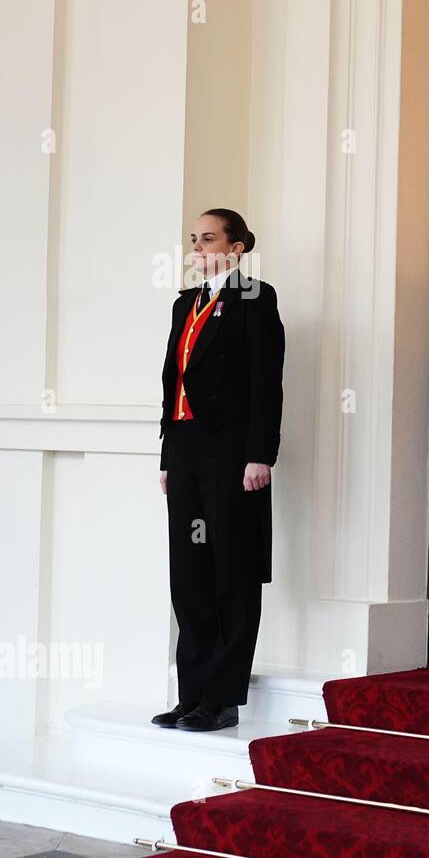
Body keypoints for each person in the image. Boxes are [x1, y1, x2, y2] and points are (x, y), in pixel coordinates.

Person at [153, 209, 285, 732]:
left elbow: (265, 381)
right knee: (189, 576)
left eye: (209, 239)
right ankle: (192, 695)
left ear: (236, 248)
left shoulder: (256, 296)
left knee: (232, 570)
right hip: (185, 450)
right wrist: (167, 456)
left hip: (231, 452)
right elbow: (172, 384)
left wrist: (261, 454)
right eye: (195, 239)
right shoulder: (184, 303)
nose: (199, 247)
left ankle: (223, 698)